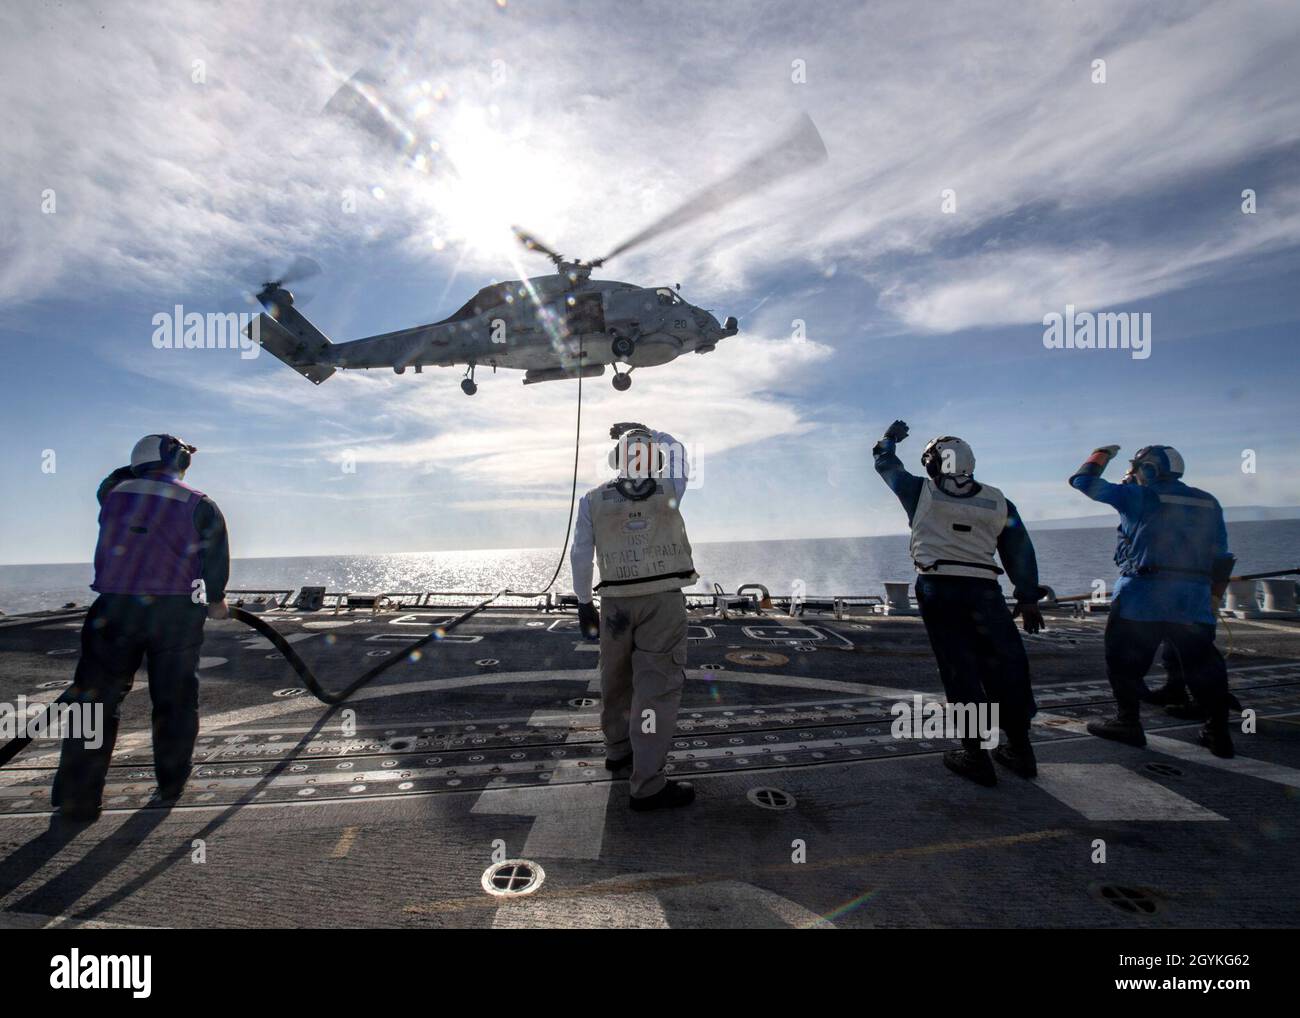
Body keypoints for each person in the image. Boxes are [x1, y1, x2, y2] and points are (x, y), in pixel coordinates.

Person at [52, 434, 230, 821]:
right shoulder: (198, 502)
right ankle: (171, 783)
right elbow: (215, 556)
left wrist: (146, 462)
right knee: (175, 701)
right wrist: (216, 601)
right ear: (179, 460)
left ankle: (77, 799)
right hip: (175, 614)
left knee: (93, 705)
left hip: (113, 610)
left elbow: (113, 480)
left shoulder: (113, 493)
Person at [873, 420, 1045, 787]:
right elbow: (1019, 551)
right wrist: (1027, 598)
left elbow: (886, 464)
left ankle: (975, 755)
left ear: (933, 462)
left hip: (939, 590)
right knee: (1006, 667)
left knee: (960, 670)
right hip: (985, 592)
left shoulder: (919, 492)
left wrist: (889, 439)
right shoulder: (999, 500)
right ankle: (1021, 750)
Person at [1069, 444, 1236, 757]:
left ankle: (1128, 722)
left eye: (1137, 469)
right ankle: (1218, 733)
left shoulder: (1140, 497)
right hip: (1194, 597)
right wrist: (1213, 599)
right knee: (1204, 664)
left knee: (1123, 661)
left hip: (1142, 595)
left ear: (1148, 470)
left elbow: (1082, 481)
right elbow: (1222, 557)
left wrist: (1100, 455)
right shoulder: (1208, 502)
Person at [570, 422, 696, 811]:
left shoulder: (593, 499)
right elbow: (678, 451)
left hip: (616, 605)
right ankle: (647, 784)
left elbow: (580, 555)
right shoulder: (669, 489)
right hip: (662, 602)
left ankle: (618, 750)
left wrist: (583, 603)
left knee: (616, 678)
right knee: (655, 689)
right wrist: (650, 430)